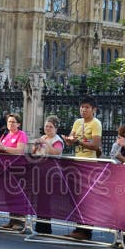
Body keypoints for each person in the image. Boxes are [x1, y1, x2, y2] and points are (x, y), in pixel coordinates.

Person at [62, 96, 103, 240]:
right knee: (77, 197)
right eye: (81, 107)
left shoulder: (96, 123)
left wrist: (78, 141)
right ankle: (78, 228)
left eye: (86, 107)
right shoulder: (77, 122)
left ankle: (86, 231)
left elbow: (96, 145)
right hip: (77, 163)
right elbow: (71, 142)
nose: (83, 110)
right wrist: (68, 140)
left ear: (93, 109)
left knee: (87, 199)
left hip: (89, 165)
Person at [0, 113, 29, 230]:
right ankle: (11, 220)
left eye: (13, 122)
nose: (11, 124)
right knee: (8, 195)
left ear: (18, 124)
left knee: (17, 194)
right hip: (5, 168)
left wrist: (3, 148)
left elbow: (19, 150)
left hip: (17, 169)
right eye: (9, 121)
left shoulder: (21, 134)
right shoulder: (5, 135)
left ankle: (20, 222)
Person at [31, 115, 65, 235]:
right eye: (46, 126)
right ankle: (39, 225)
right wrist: (36, 146)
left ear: (56, 128)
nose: (48, 129)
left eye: (50, 127)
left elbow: (56, 152)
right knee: (40, 199)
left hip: (51, 172)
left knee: (47, 199)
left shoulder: (57, 140)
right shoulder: (43, 137)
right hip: (40, 170)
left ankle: (46, 227)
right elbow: (34, 152)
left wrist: (45, 143)